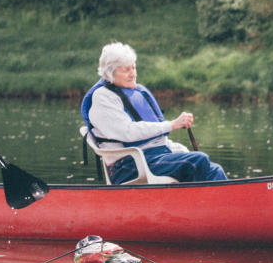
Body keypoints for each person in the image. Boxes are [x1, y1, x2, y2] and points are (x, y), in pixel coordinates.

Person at [81, 42, 226, 183]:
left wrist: (179, 149)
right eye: (126, 70)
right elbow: (128, 132)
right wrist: (172, 125)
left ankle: (222, 205)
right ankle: (214, 205)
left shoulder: (135, 92)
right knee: (197, 161)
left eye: (134, 68)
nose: (133, 74)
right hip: (127, 166)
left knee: (213, 168)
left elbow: (155, 140)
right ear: (109, 73)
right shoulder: (102, 98)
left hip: (153, 158)